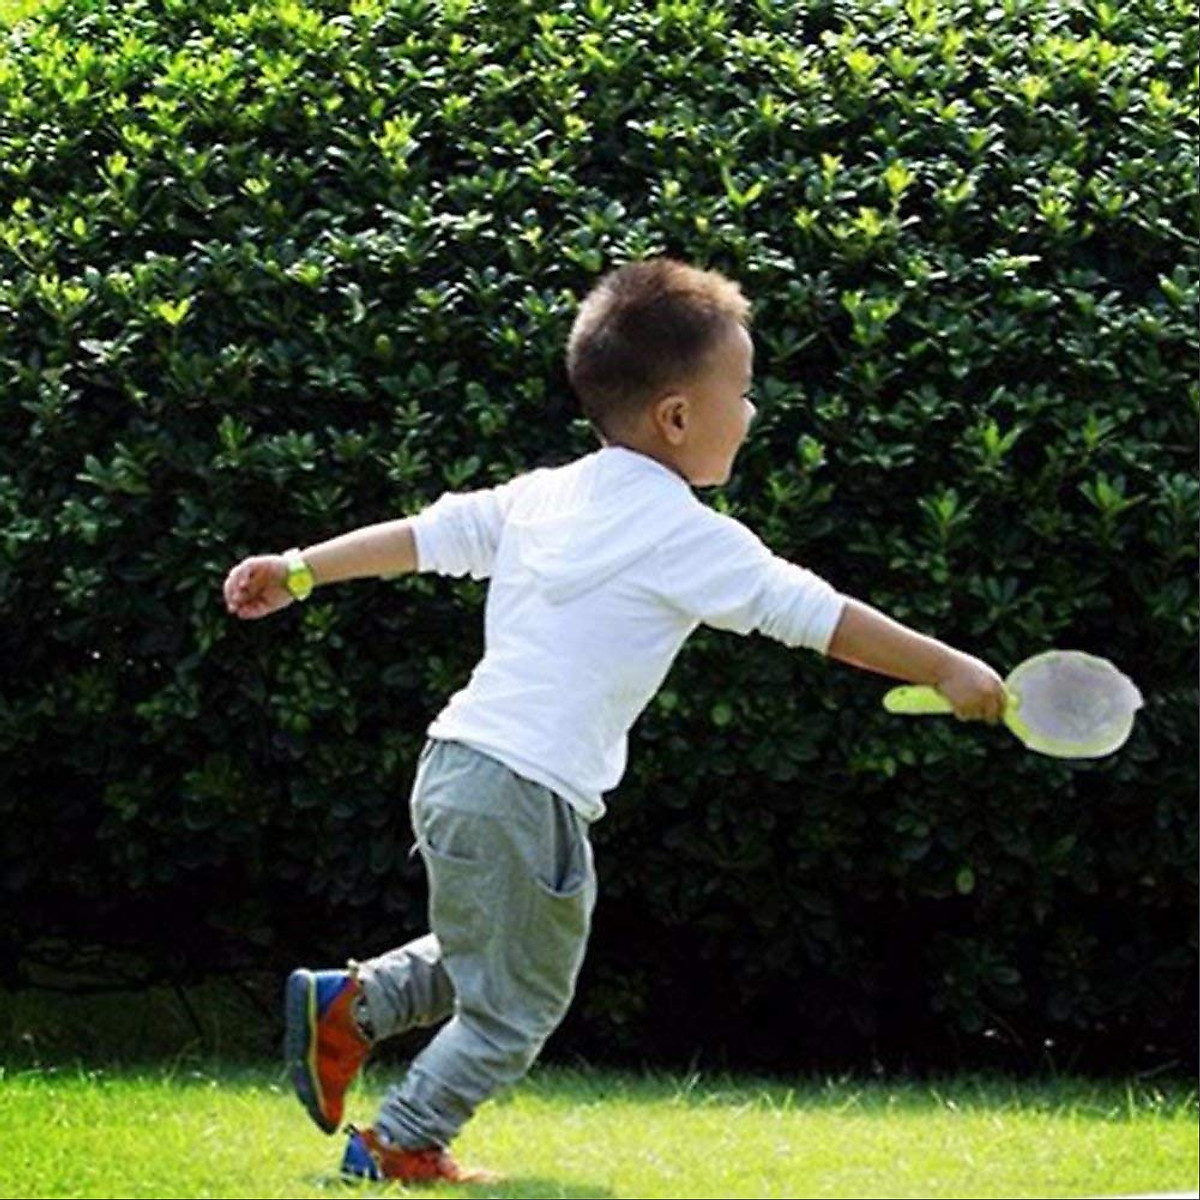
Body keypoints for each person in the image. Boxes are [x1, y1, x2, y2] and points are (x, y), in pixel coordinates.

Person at [223, 258, 1006, 1185]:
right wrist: (945, 665)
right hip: (527, 788)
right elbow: (819, 617)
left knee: (501, 951)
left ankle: (352, 1004)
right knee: (520, 1003)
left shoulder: (544, 494)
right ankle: (402, 1141)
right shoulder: (684, 533)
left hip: (457, 764)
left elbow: (426, 536)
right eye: (742, 393)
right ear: (676, 417)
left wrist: (301, 568)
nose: (752, 414)